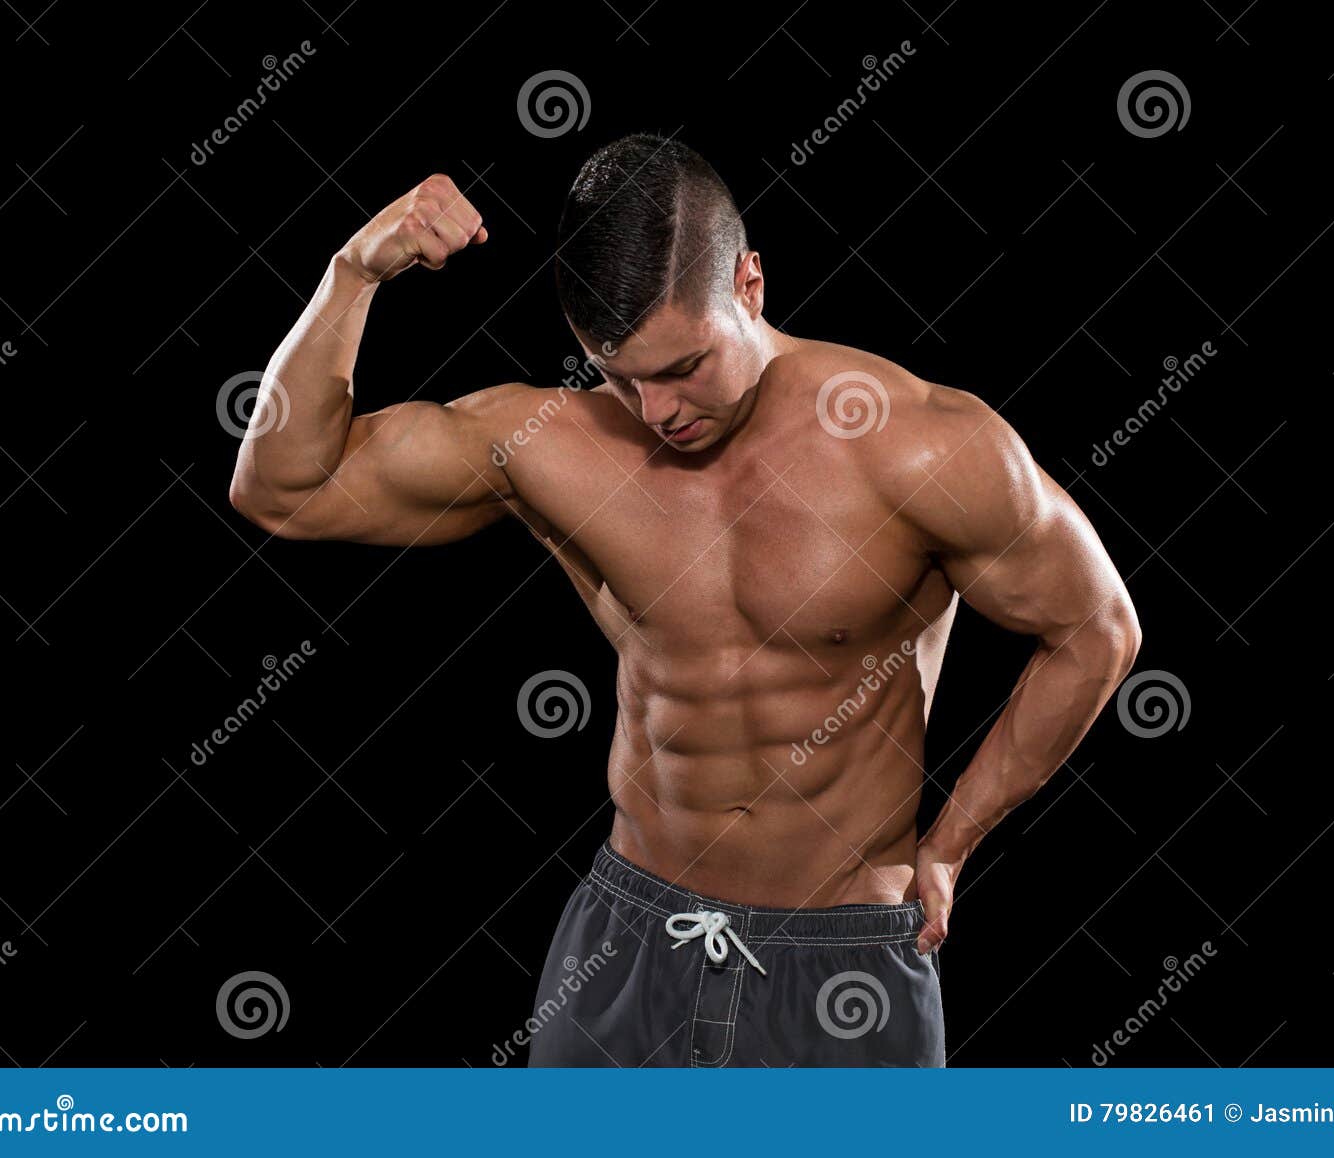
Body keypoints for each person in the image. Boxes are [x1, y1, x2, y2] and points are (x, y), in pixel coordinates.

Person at [228, 133, 1141, 1067]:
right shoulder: (550, 443)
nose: (657, 409)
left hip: (839, 967)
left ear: (750, 284)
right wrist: (351, 275)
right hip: (627, 946)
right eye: (619, 376)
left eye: (684, 366)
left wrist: (949, 846)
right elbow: (285, 491)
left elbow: (1096, 628)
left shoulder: (918, 445)